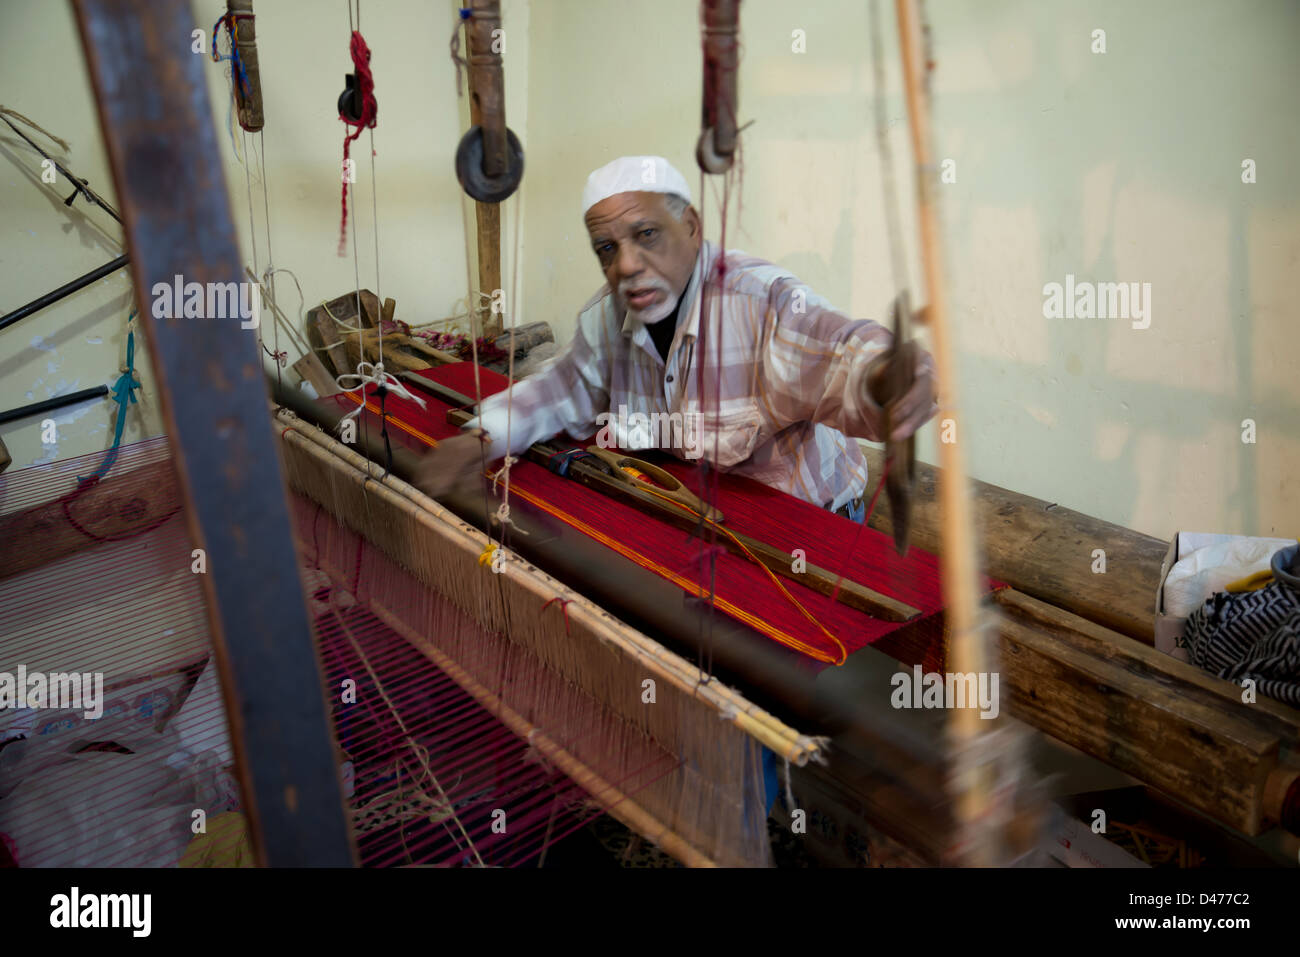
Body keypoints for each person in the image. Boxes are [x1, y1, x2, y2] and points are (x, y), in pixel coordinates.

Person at [416, 154, 937, 517]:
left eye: (646, 235)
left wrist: (891, 374)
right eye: (606, 248)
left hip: (801, 530)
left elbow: (844, 353)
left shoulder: (760, 303)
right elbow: (560, 393)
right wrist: (480, 440)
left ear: (690, 225)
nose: (627, 265)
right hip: (703, 510)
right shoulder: (605, 318)